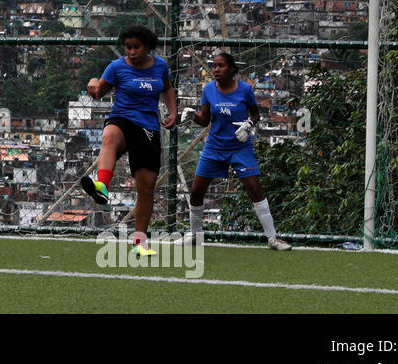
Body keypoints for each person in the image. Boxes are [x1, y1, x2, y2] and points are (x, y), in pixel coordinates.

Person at [79, 24, 177, 256]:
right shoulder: (116, 67)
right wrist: (92, 82)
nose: (131, 51)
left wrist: (173, 111)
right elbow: (98, 91)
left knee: (146, 189)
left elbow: (167, 88)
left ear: (147, 47)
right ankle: (101, 185)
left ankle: (139, 243)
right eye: (128, 47)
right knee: (110, 135)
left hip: (149, 127)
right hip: (122, 118)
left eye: (136, 47)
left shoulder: (160, 66)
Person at [183, 52, 292, 251]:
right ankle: (195, 235)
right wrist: (191, 115)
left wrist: (249, 125)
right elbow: (205, 120)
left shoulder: (245, 90)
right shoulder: (208, 89)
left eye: (221, 66)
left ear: (232, 69)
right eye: (214, 66)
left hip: (240, 147)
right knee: (197, 192)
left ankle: (272, 239)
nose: (216, 69)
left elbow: (256, 114)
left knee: (254, 189)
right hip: (214, 146)